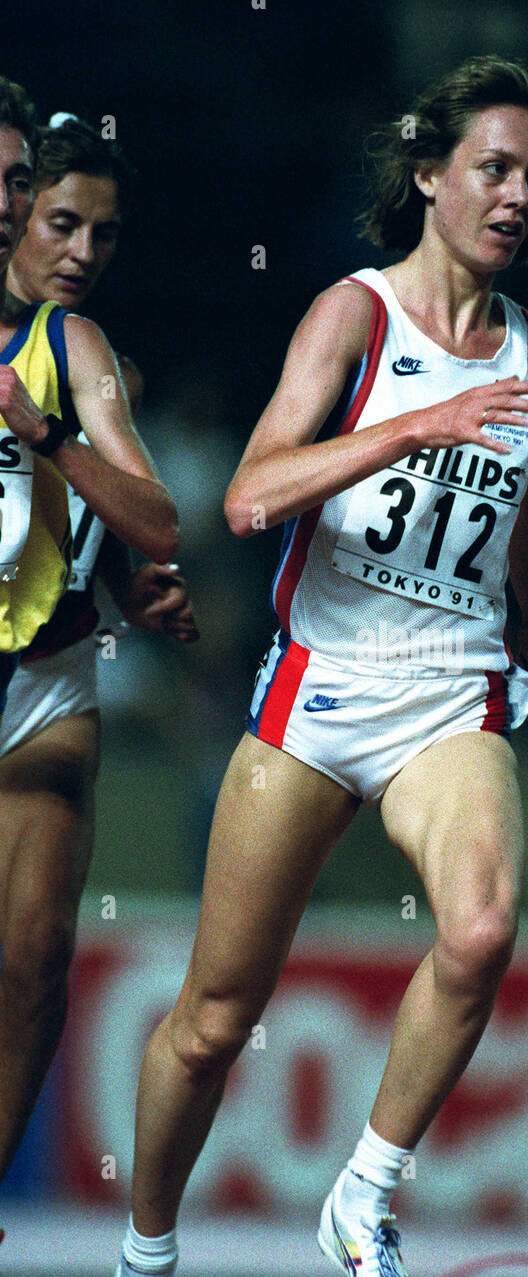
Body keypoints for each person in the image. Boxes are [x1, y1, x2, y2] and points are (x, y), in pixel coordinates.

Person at [116, 54, 528, 1277]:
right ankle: (142, 1267)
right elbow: (251, 495)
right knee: (212, 1022)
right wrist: (403, 428)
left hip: (451, 691)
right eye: (492, 167)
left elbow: (515, 485)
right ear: (429, 176)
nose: (517, 195)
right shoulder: (353, 314)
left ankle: (363, 1196)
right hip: (320, 688)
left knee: (479, 930)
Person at [0, 84, 182, 1192]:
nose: (80, 251)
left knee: (33, 961)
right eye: (58, 221)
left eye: (102, 233)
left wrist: (50, 434)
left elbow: (155, 518)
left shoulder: (73, 346)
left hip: (44, 681)